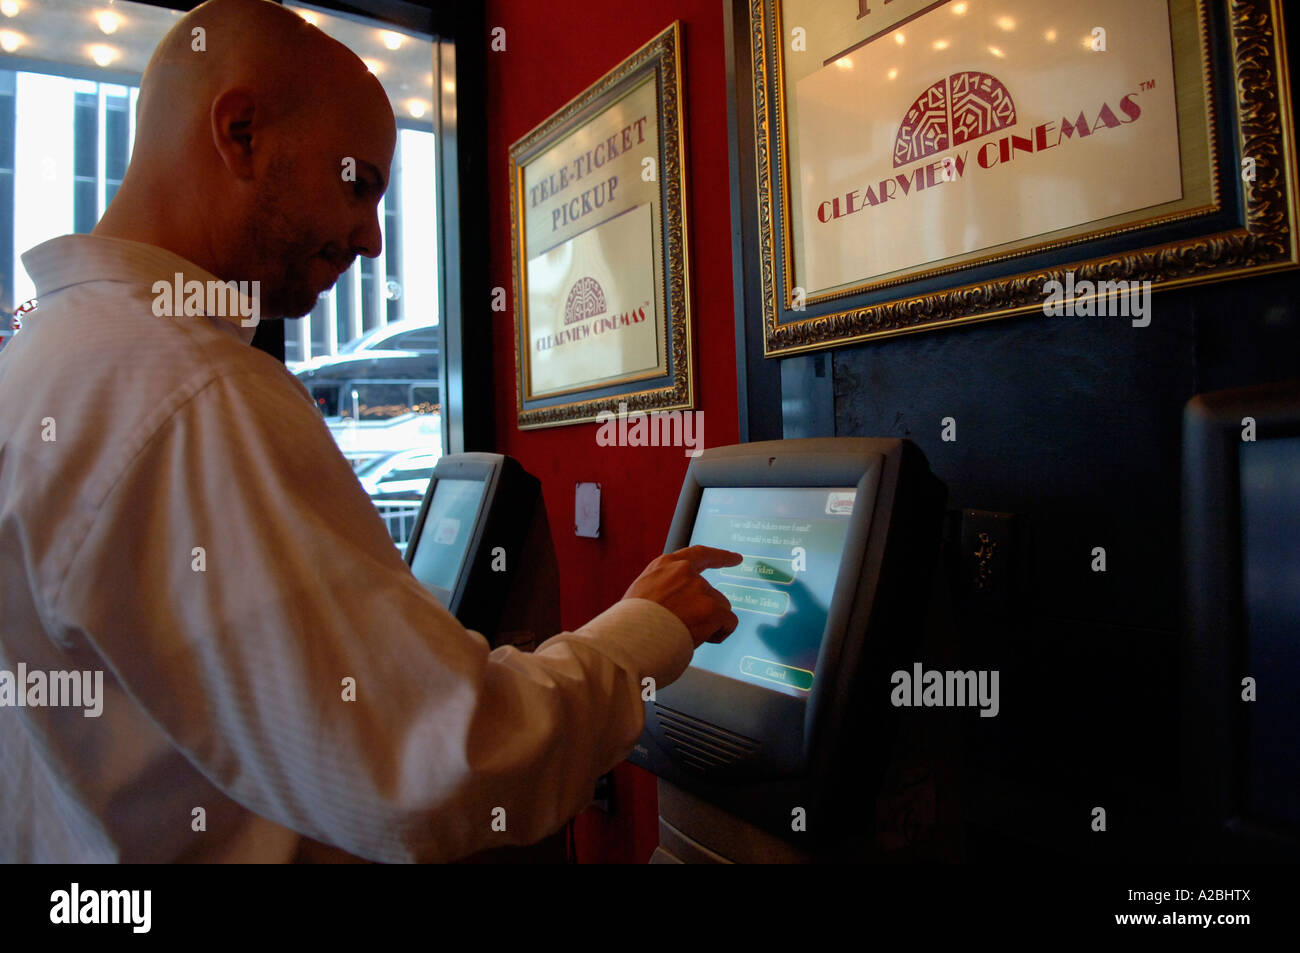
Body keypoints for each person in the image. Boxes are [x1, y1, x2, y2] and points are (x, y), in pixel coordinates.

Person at [0, 0, 738, 863]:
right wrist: (647, 629)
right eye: (358, 183)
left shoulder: (43, 361)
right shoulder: (193, 387)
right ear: (240, 133)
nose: (373, 237)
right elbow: (439, 766)